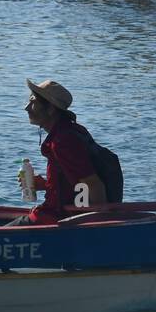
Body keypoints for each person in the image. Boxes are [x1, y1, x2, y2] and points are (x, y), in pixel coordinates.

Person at [8, 79, 106, 226]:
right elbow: (77, 184)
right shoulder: (69, 132)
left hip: (54, 219)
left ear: (51, 109)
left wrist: (97, 226)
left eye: (33, 102)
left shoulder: (63, 141)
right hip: (58, 215)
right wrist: (47, 185)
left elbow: (93, 185)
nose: (26, 108)